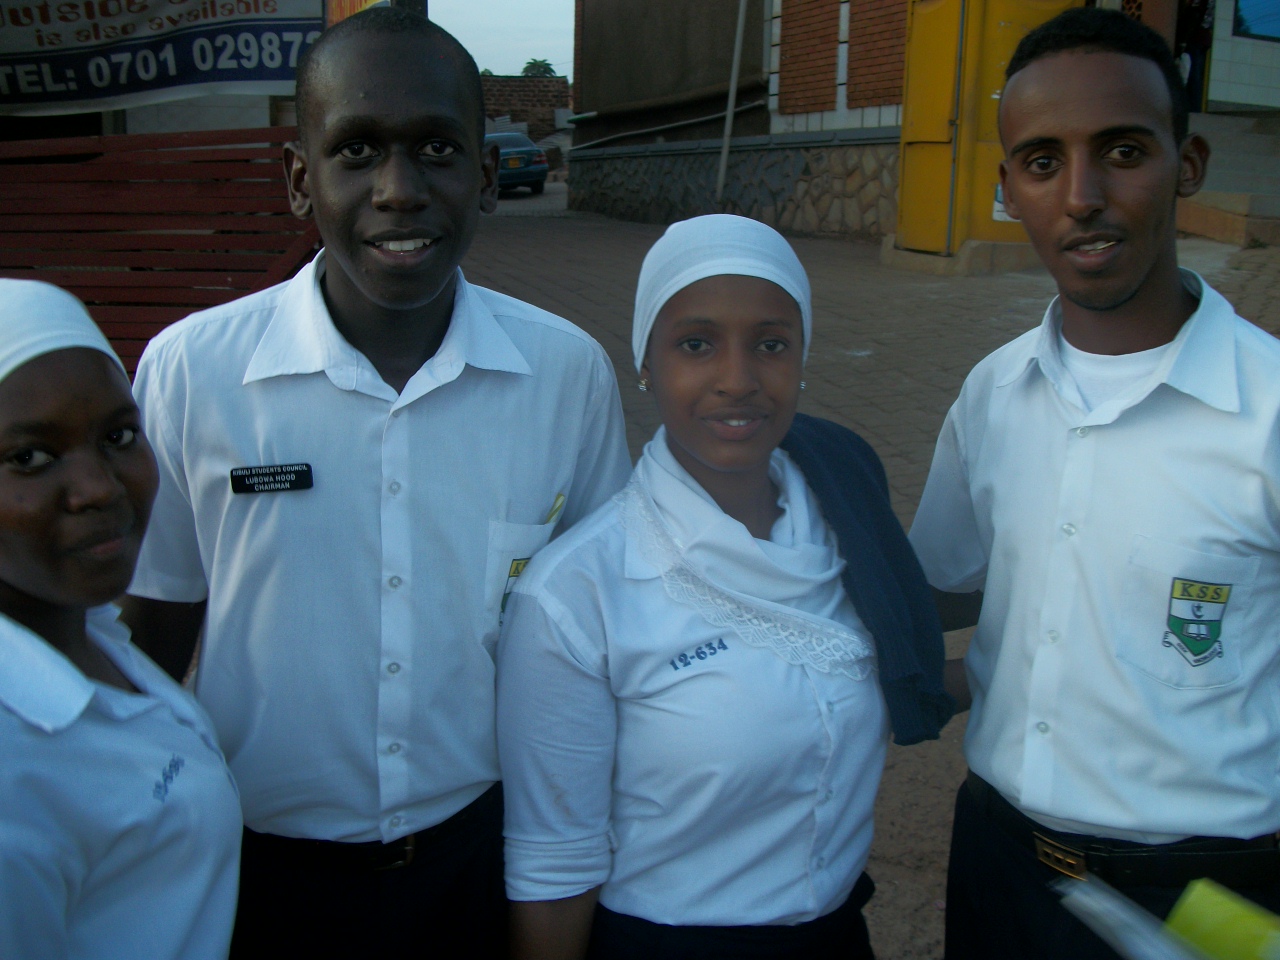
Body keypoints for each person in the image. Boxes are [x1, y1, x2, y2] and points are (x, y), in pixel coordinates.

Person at [120, 9, 630, 958]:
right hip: (254, 876)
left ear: (484, 175)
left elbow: (592, 644)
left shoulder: (566, 377)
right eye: (357, 150)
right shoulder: (193, 373)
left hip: (477, 864)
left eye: (436, 148)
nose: (398, 190)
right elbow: (154, 632)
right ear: (299, 179)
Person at [907, 9, 1280, 959]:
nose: (1081, 196)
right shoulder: (995, 393)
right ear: (1008, 188)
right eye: (1041, 162)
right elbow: (946, 588)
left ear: (1186, 164)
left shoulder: (1269, 410)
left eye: (1121, 151)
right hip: (999, 863)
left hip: (1206, 894)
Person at [497, 214, 953, 960]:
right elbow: (555, 862)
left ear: (803, 357)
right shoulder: (580, 593)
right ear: (646, 362)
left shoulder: (846, 521)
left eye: (771, 344)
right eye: (696, 344)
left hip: (836, 938)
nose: (737, 380)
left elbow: (879, 666)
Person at [0, 280, 241, 960]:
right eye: (29, 457)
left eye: (118, 436)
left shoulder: (88, 633)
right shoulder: (13, 771)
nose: (99, 487)